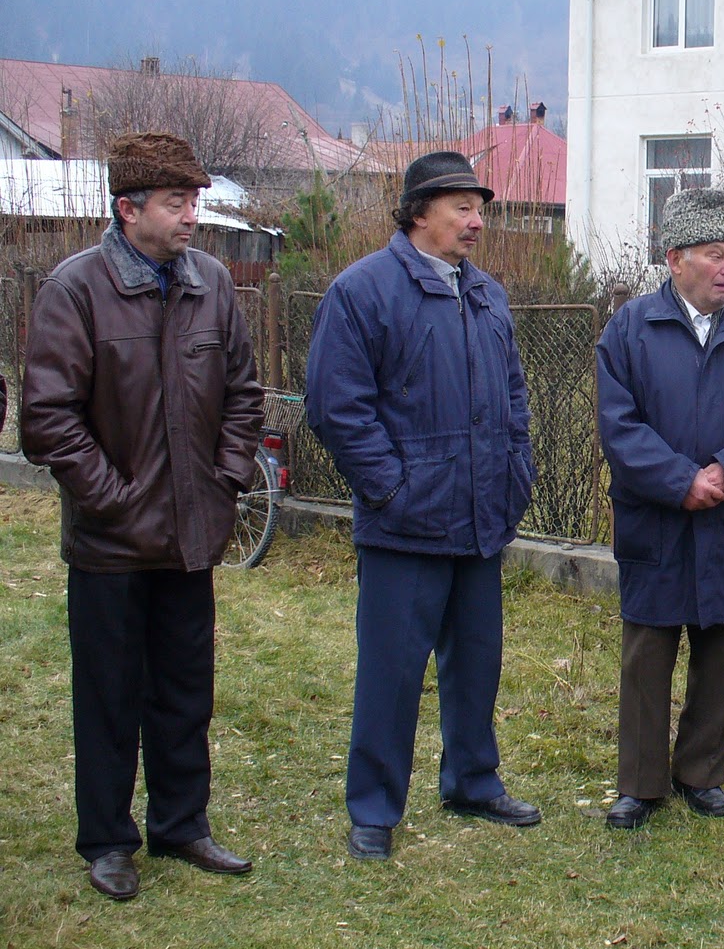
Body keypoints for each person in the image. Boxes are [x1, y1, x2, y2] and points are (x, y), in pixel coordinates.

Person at [21, 132, 262, 901]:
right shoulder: (75, 289)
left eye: (195, 201)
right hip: (111, 545)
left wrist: (224, 484)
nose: (191, 216)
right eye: (175, 203)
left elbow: (244, 396)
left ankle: (183, 824)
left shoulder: (213, 284)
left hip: (192, 536)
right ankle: (108, 840)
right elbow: (48, 421)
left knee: (186, 690)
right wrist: (118, 502)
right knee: (109, 695)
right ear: (128, 210)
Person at [305, 150, 539, 862]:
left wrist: (516, 473)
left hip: (478, 519)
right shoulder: (363, 292)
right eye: (462, 208)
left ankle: (472, 779)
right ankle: (374, 808)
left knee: (476, 662)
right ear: (418, 213)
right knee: (393, 672)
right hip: (406, 525)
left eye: (480, 209)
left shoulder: (487, 294)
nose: (476, 222)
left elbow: (514, 396)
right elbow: (336, 407)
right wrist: (391, 490)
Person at [596, 187, 724, 829]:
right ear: (675, 257)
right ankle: (640, 781)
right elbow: (618, 423)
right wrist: (679, 479)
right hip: (657, 517)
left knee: (722, 652)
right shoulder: (630, 328)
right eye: (715, 254)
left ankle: (702, 773)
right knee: (648, 650)